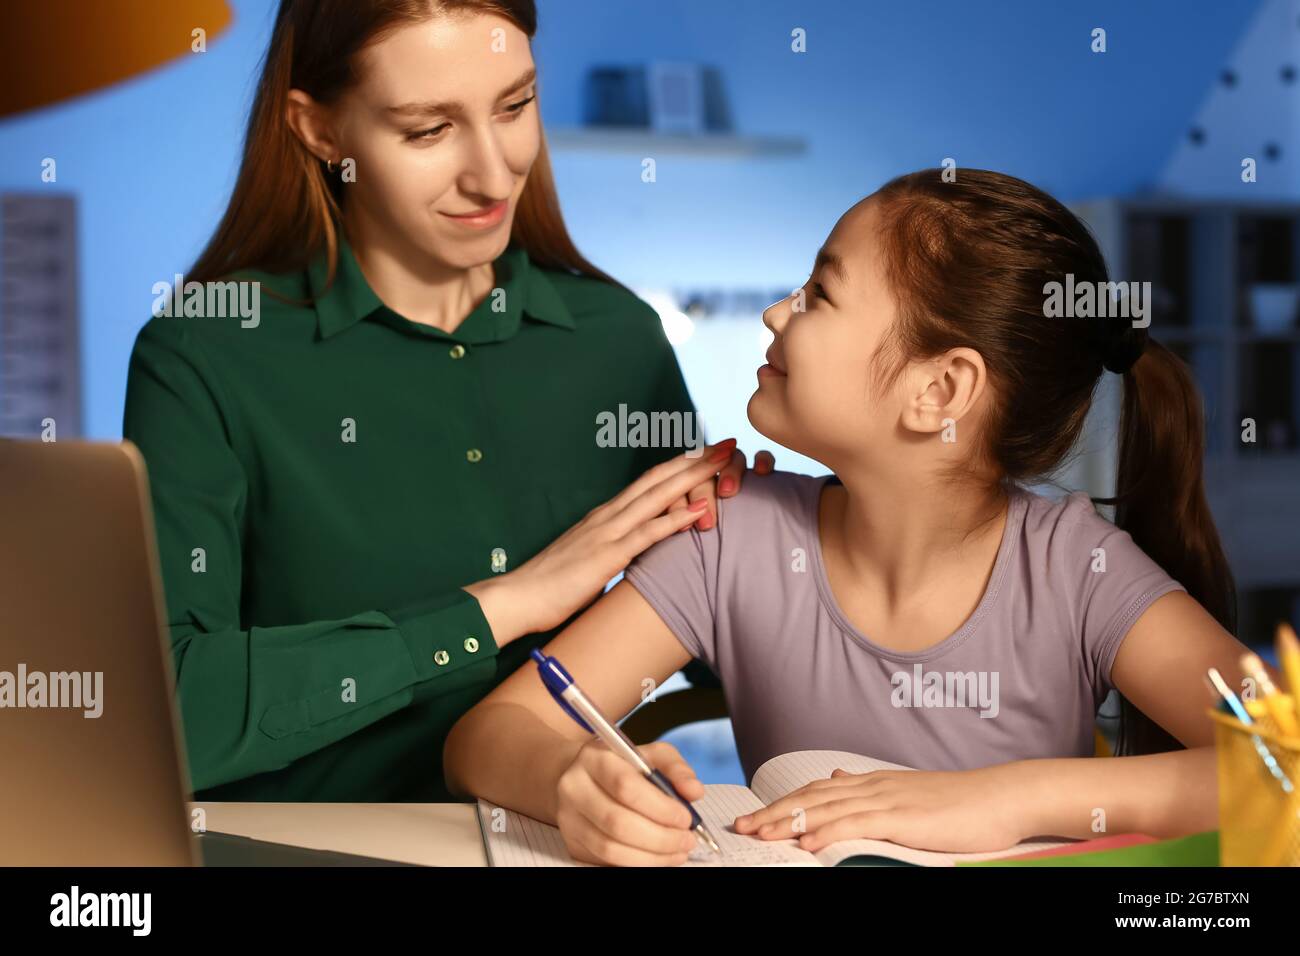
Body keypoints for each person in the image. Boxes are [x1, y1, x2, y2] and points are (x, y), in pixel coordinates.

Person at [445, 168, 1263, 865]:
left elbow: (1280, 765)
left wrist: (999, 800)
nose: (776, 313)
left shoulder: (1076, 568)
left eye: (819, 294)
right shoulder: (734, 540)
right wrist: (570, 780)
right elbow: (488, 735)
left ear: (937, 392)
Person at [123, 0, 768, 802]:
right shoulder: (207, 349)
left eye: (515, 106)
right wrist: (503, 606)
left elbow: (719, 637)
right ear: (320, 130)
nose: (494, 175)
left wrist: (819, 526)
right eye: (428, 130)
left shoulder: (619, 342)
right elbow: (168, 713)